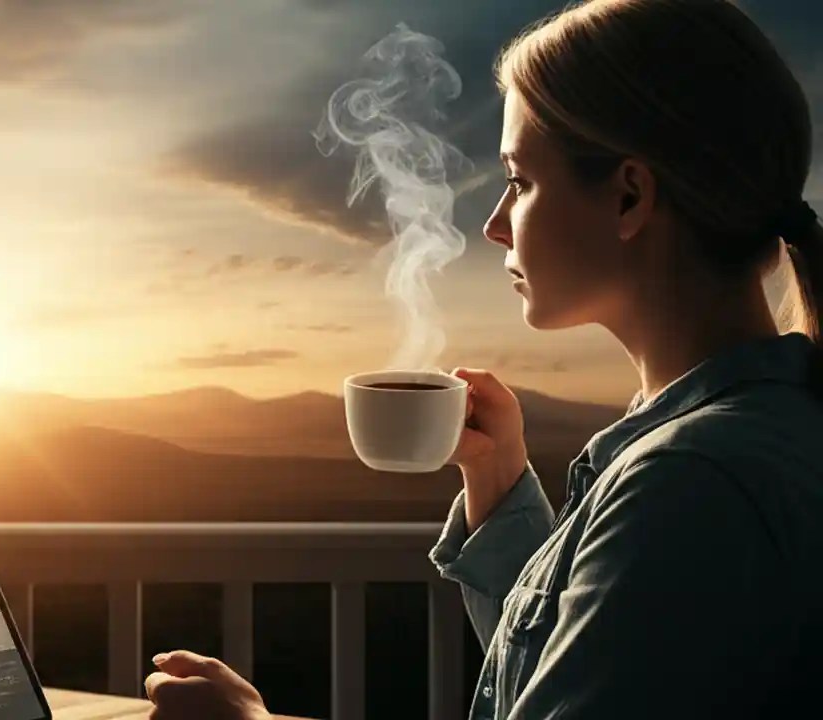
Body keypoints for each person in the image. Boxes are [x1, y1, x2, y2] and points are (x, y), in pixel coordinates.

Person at [142, 0, 823, 717]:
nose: (495, 225)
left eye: (519, 181)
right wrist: (498, 486)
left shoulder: (689, 486)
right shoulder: (753, 435)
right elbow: (594, 668)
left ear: (629, 197)